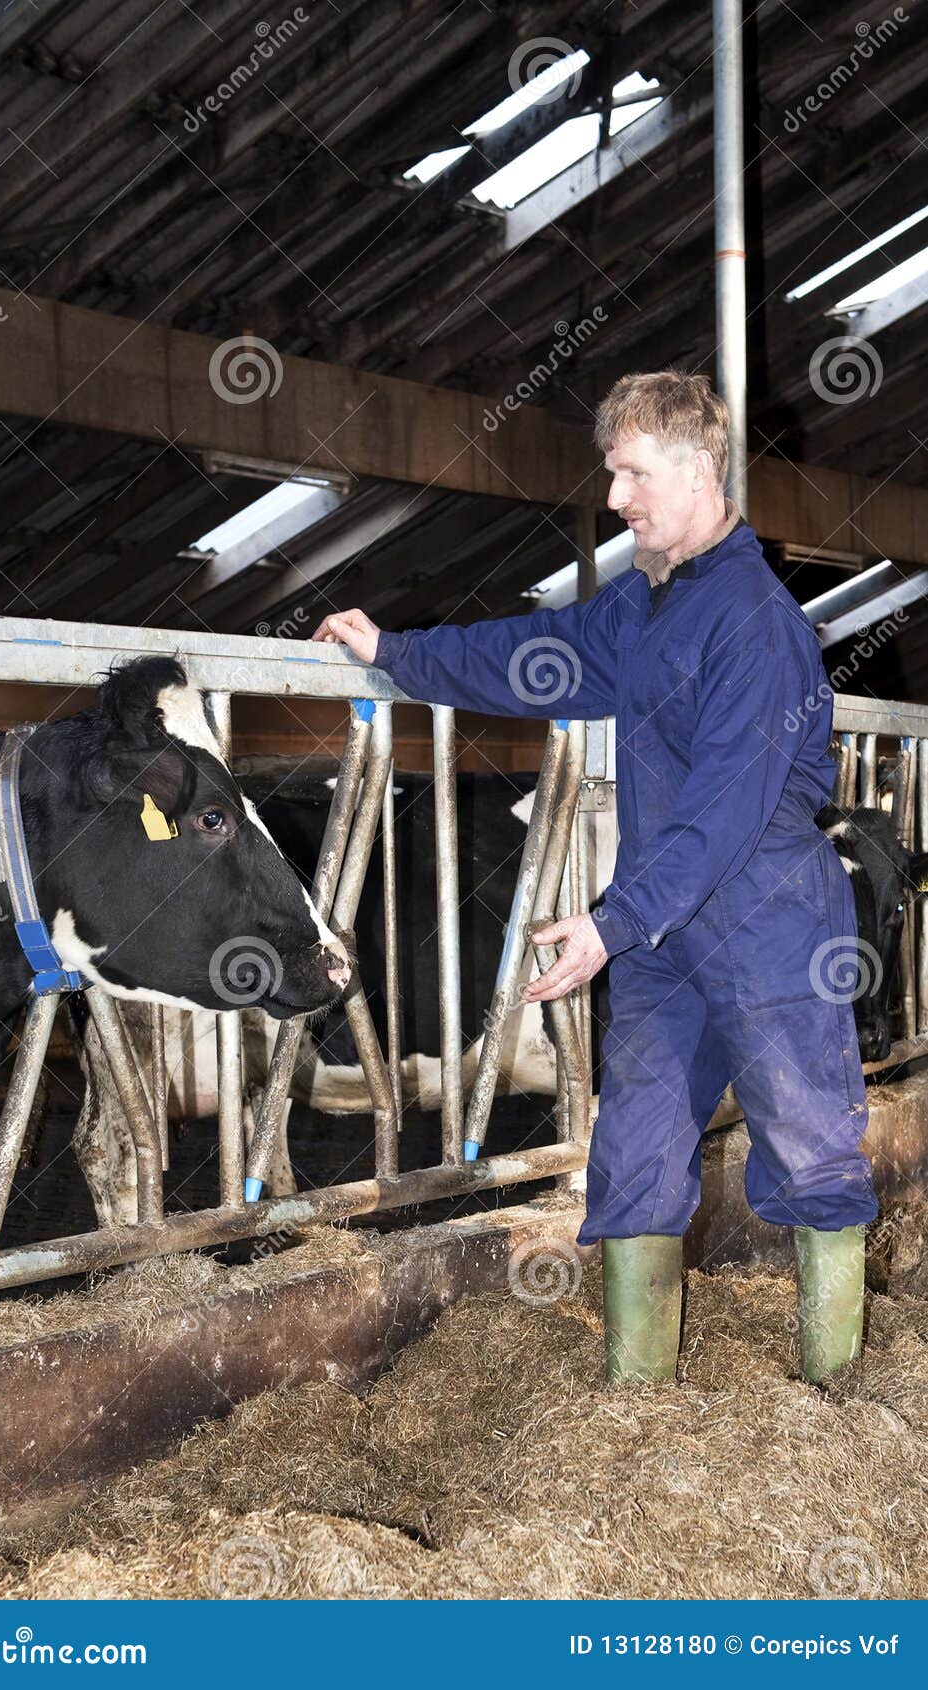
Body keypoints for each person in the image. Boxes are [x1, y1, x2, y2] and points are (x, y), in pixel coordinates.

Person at [312, 369, 876, 1387]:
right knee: (636, 1150)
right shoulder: (645, 609)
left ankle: (833, 1390)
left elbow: (724, 815)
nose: (615, 498)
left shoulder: (757, 625)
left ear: (700, 471)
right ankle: (637, 1398)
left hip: (765, 926)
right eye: (611, 473)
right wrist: (397, 653)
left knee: (808, 1151)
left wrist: (612, 925)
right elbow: (537, 649)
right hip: (662, 934)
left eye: (632, 474)